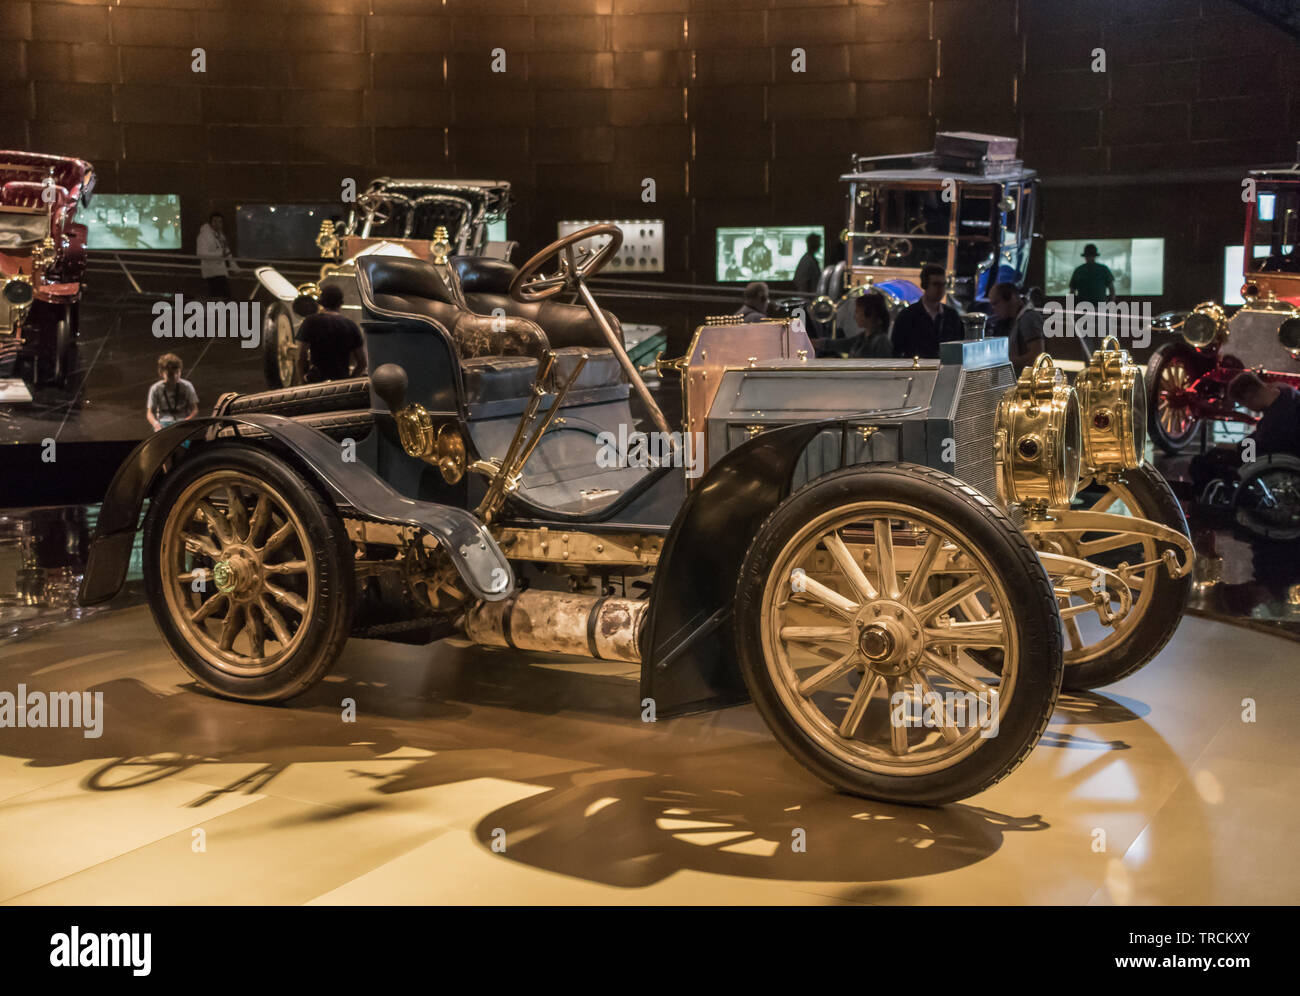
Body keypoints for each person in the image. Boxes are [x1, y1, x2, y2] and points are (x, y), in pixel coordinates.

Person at [1189, 371, 1300, 493]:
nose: (1249, 408)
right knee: (1213, 456)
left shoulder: (1276, 417)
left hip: (1271, 458)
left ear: (1249, 397)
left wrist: (1235, 447)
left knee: (1204, 463)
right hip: (1280, 451)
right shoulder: (1285, 392)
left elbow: (1261, 446)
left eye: (1245, 404)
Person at [296, 283, 367, 383]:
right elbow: (362, 363)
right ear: (341, 303)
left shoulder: (310, 321)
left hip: (315, 382)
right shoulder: (351, 326)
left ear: (322, 302)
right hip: (340, 384)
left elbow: (300, 357)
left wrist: (302, 381)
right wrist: (349, 381)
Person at [890, 263, 963, 358]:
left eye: (943, 284)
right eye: (936, 284)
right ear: (924, 285)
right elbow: (897, 350)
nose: (940, 289)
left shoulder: (952, 315)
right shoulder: (907, 316)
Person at [810, 293, 892, 358]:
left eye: (857, 312)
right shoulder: (862, 338)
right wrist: (814, 343)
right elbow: (839, 344)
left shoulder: (881, 342)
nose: (855, 316)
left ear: (869, 314)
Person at [989, 281, 1045, 371]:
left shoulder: (1028, 319)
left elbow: (1036, 358)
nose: (993, 309)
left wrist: (1002, 361)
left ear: (1011, 297)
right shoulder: (1007, 321)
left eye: (995, 303)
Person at [146, 353, 198, 431]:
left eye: (177, 373)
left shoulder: (187, 386)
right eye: (170, 374)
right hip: (163, 424)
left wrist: (187, 421)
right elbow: (149, 413)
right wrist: (155, 424)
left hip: (182, 423)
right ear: (161, 373)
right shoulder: (155, 388)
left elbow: (195, 409)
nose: (174, 377)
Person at [197, 211, 236, 298]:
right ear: (210, 223)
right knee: (221, 297)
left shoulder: (220, 235)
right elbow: (201, 254)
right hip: (212, 272)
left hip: (220, 271)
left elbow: (227, 252)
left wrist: (235, 267)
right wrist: (219, 255)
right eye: (215, 221)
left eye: (220, 222)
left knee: (222, 297)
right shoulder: (204, 236)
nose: (217, 224)